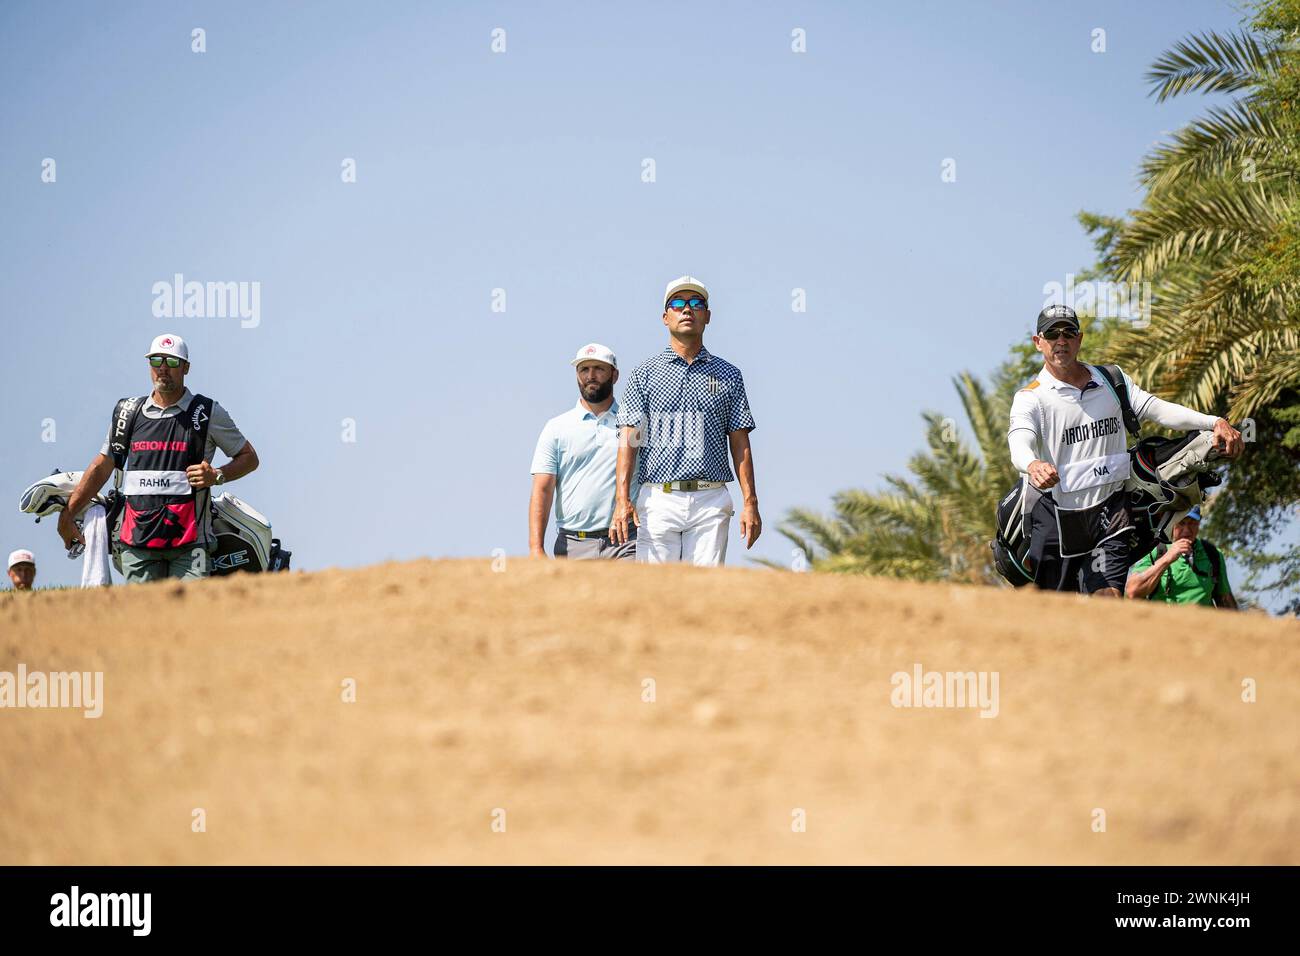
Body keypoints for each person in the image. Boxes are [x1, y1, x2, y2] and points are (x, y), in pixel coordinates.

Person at [1007, 304, 1242, 596]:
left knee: (1108, 598)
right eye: (1052, 334)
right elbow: (1019, 440)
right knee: (1056, 606)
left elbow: (1156, 409)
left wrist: (1214, 421)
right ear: (1038, 342)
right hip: (1058, 516)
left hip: (1111, 512)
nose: (1061, 340)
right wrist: (1032, 465)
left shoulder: (1110, 380)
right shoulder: (1031, 397)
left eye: (1068, 333)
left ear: (1079, 338)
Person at [57, 334, 259, 583]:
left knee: (191, 617)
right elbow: (102, 466)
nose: (163, 368)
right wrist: (68, 513)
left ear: (186, 368)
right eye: (156, 361)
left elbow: (249, 457)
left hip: (191, 545)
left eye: (172, 362)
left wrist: (217, 475)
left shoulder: (207, 412)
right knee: (144, 619)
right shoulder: (128, 413)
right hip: (137, 544)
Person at [610, 275, 760, 565]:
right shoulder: (644, 374)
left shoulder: (729, 375)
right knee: (655, 592)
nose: (687, 309)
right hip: (658, 499)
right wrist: (622, 500)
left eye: (696, 303)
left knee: (704, 592)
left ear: (708, 316)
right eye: (678, 304)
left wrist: (750, 503)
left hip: (711, 499)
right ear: (666, 317)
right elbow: (629, 439)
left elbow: (740, 441)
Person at [529, 343, 634, 560]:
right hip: (572, 544)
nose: (591, 376)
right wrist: (536, 547)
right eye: (584, 370)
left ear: (615, 375)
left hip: (627, 540)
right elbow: (543, 489)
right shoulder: (556, 428)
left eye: (599, 368)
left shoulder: (632, 423)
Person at [1125, 507, 1237, 608]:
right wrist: (1167, 558)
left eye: (1192, 523)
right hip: (1163, 626)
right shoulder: (1156, 550)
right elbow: (1132, 591)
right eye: (1181, 523)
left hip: (1203, 628)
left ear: (1199, 523)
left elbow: (1225, 600)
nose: (1187, 530)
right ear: (1171, 523)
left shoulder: (1213, 554)